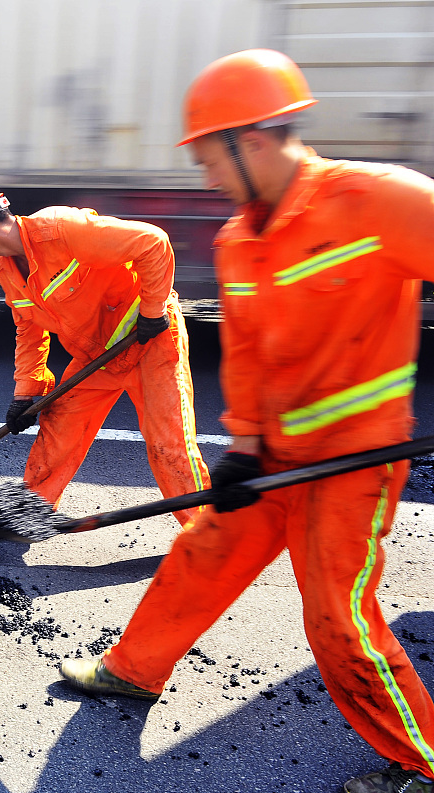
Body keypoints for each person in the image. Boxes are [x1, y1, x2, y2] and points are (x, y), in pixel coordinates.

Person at [58, 49, 434, 793]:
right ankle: (132, 670)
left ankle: (425, 758)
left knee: (337, 621)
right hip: (273, 457)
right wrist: (246, 449)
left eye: (209, 160)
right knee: (204, 552)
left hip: (354, 463)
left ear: (251, 142)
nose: (207, 178)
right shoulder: (240, 242)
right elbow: (254, 360)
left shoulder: (377, 200)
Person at [0, 178, 210, 537]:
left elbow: (152, 242)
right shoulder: (7, 272)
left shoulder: (61, 230)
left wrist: (153, 310)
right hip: (99, 356)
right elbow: (30, 332)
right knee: (58, 427)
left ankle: (207, 534)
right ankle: (26, 518)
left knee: (168, 445)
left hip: (150, 342)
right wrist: (24, 394)